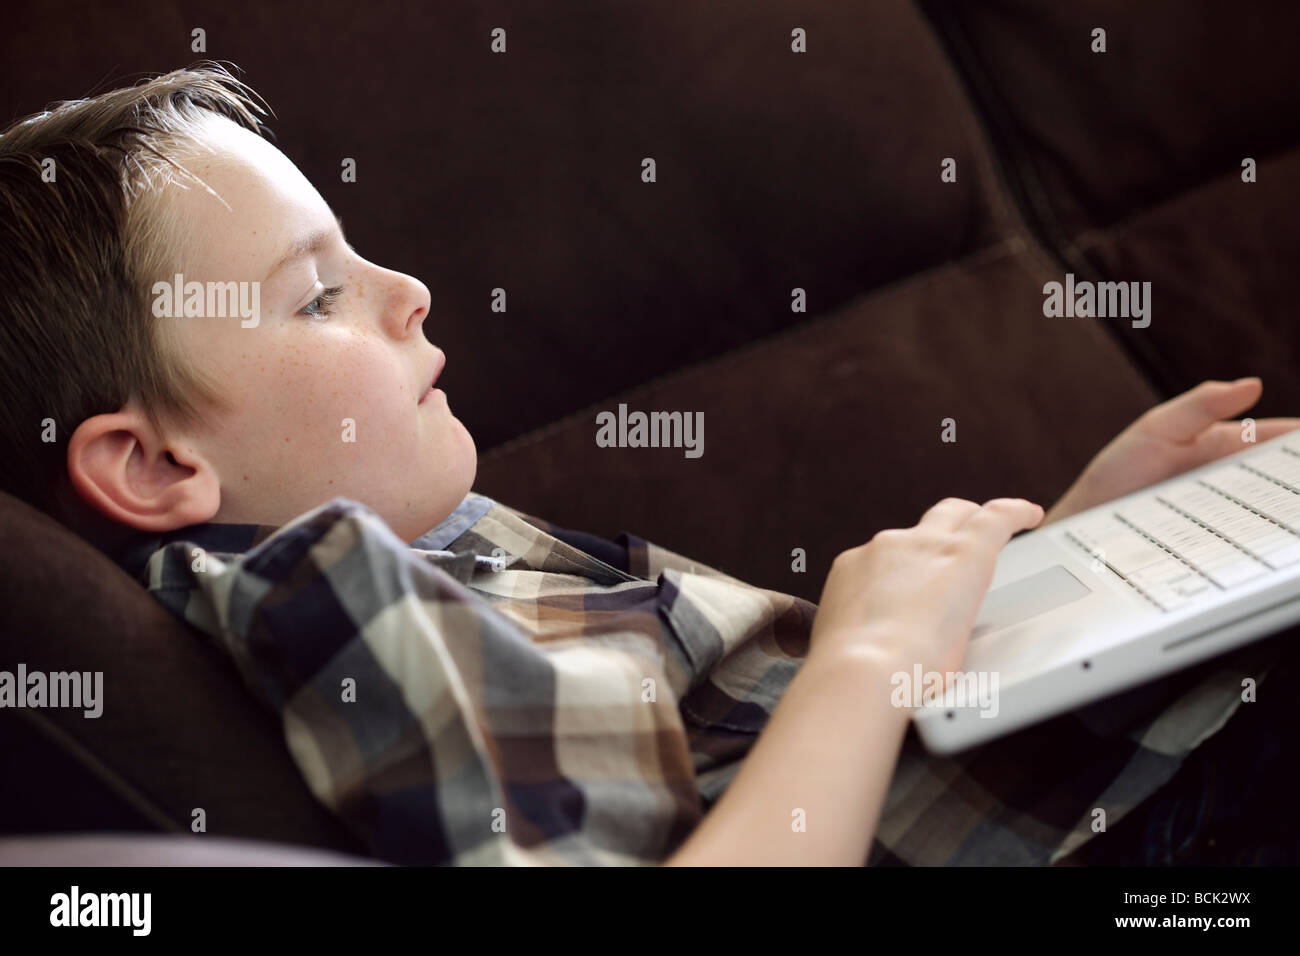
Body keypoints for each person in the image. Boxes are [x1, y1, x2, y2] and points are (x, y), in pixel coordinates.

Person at [2, 63, 1295, 866]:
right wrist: (860, 653)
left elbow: (811, 751)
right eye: (315, 297)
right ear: (158, 467)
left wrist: (1071, 557)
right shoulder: (328, 597)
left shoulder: (433, 542)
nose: (407, 292)